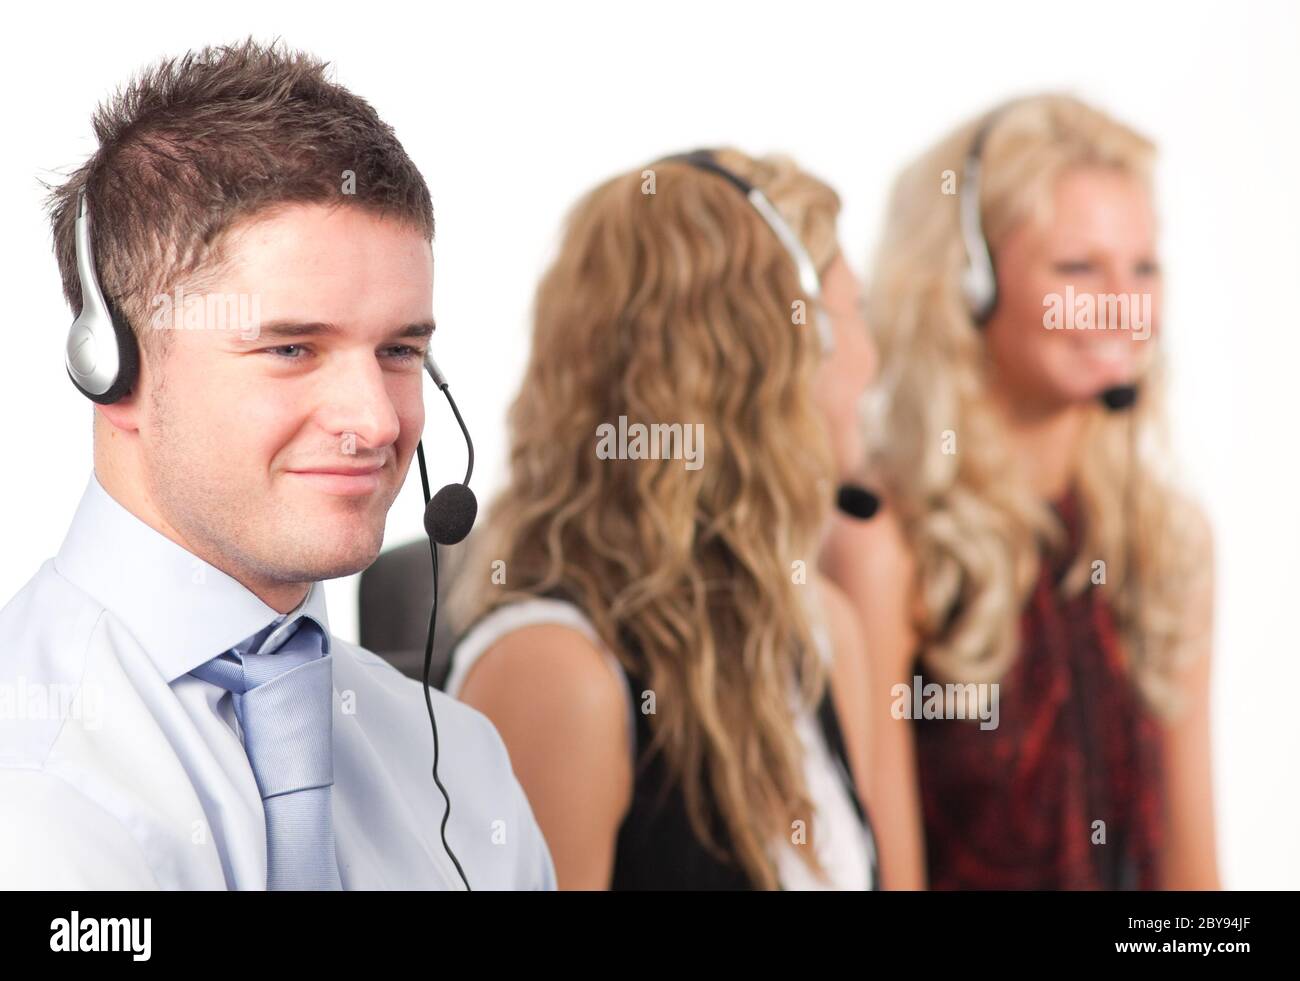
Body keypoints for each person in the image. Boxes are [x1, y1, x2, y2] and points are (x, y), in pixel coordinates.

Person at [0, 38, 554, 891]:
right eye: (292, 346)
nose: (375, 421)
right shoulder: (26, 772)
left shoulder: (457, 767)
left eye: (401, 349)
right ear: (111, 367)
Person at [444, 148, 880, 890]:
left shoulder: (820, 627)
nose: (875, 358)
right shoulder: (556, 674)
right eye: (857, 316)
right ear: (777, 357)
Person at [822, 95, 1218, 889]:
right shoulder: (883, 542)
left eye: (1143, 267)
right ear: (968, 282)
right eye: (1078, 267)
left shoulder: (1165, 537)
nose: (1122, 304)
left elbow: (1196, 889)